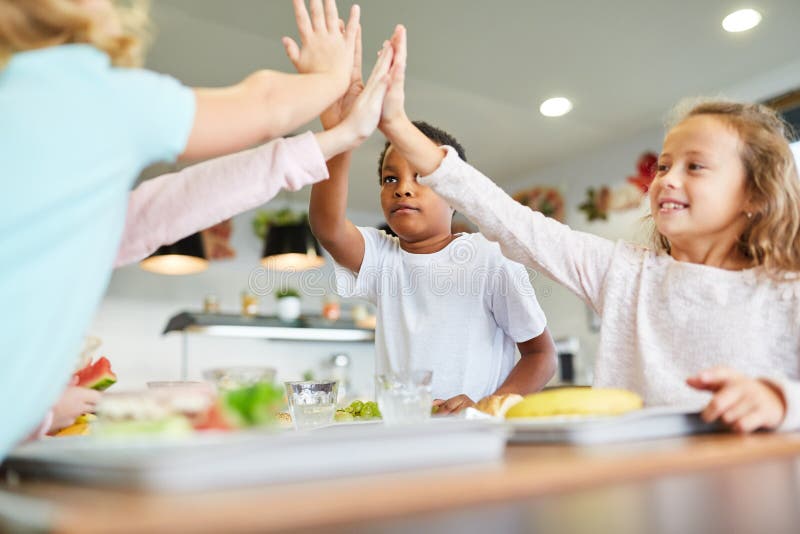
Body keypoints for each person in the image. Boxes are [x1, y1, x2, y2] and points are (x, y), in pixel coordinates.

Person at [0, 0, 396, 454]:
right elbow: (264, 104)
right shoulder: (86, 91)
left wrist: (338, 138)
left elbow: (158, 211)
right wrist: (331, 79)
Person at [378, 28, 800, 432]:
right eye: (664, 166)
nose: (668, 179)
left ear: (755, 194)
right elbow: (508, 219)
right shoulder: (626, 275)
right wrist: (396, 123)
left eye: (696, 166)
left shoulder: (787, 292)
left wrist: (780, 400)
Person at [307, 25, 557, 414]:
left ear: (455, 193)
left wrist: (487, 405)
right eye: (390, 179)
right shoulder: (383, 257)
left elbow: (541, 355)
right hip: (403, 434)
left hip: (475, 438)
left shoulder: (489, 257)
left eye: (421, 177)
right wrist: (340, 135)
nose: (403, 189)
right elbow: (328, 227)